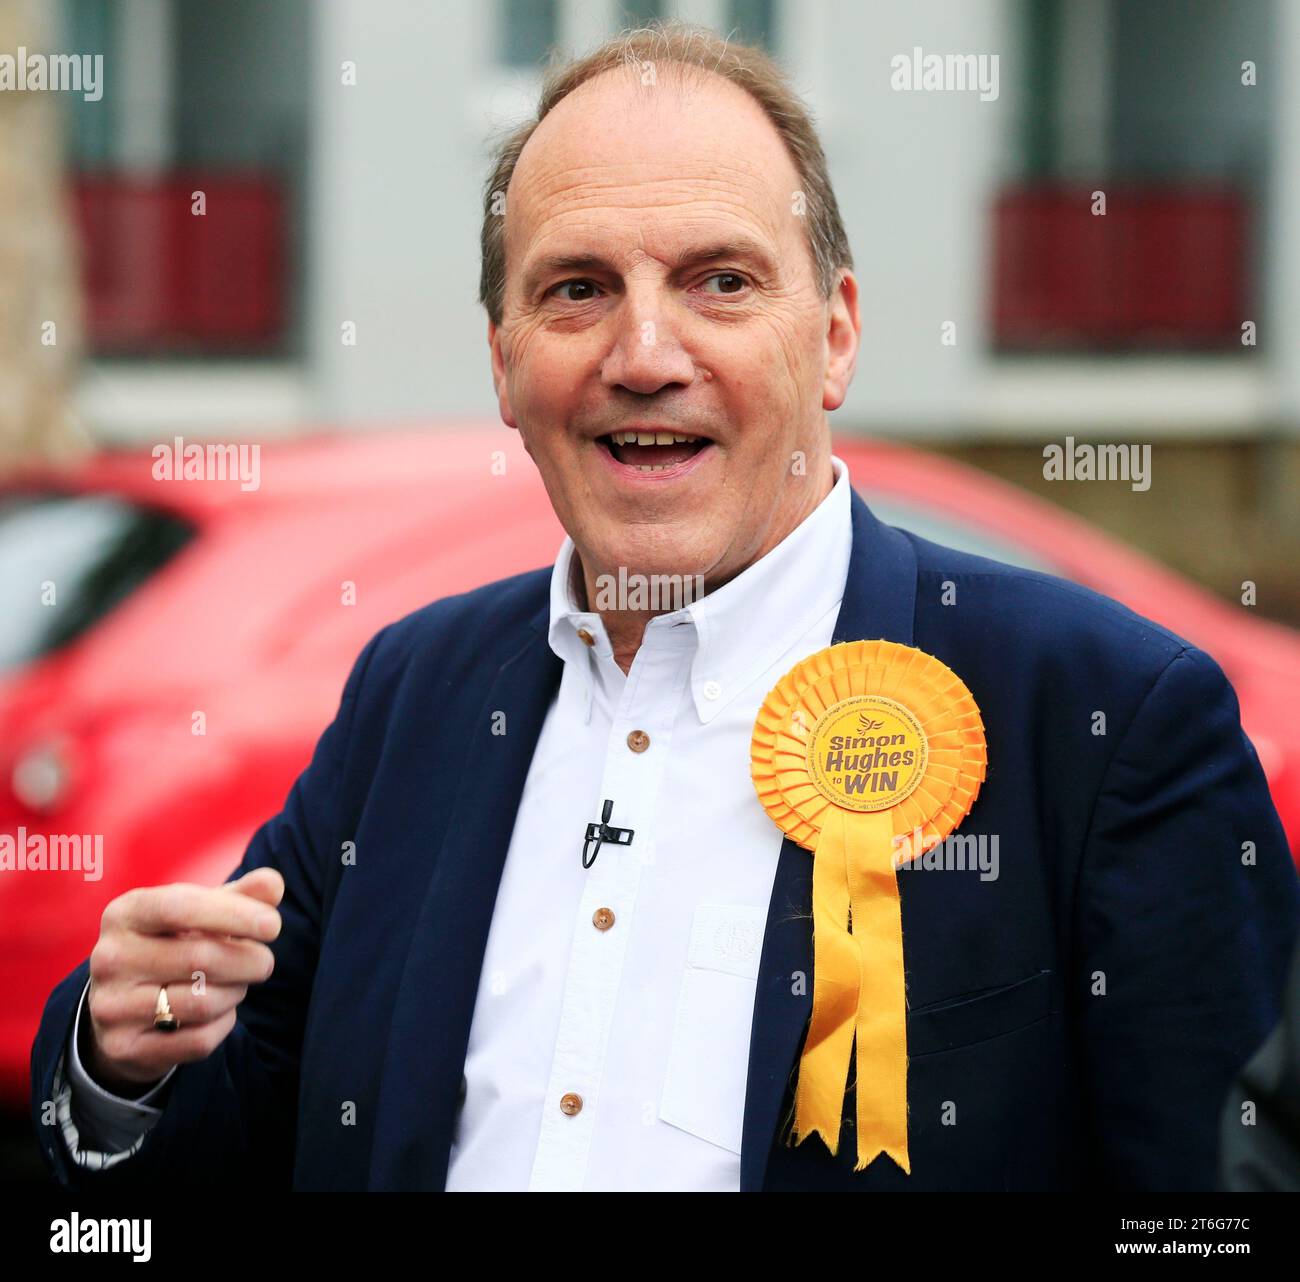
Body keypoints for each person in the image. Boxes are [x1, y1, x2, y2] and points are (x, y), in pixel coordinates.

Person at [30, 22, 1300, 1192]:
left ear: (837, 334)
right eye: (576, 288)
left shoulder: (1104, 719)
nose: (643, 355)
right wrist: (125, 1059)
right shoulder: (412, 692)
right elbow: (241, 1142)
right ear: (504, 361)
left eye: (720, 282)